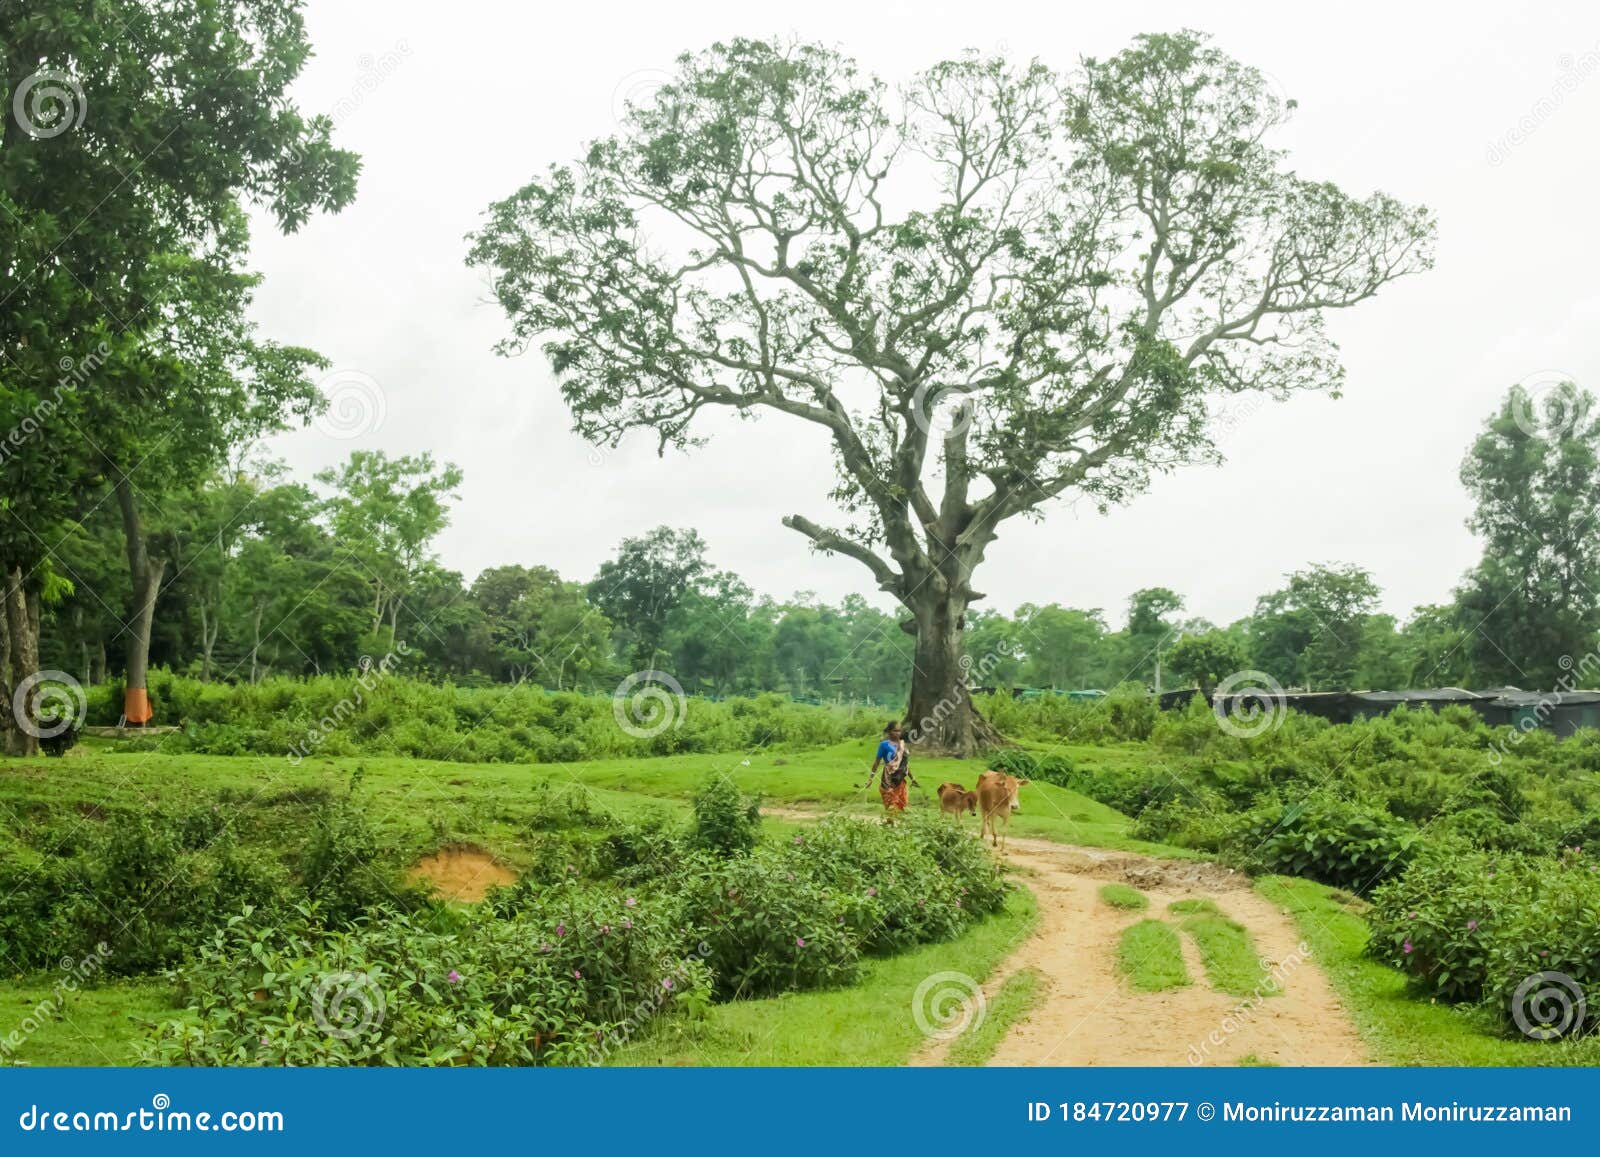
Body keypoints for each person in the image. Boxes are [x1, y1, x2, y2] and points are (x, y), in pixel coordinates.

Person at [866, 721, 915, 817]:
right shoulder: (884, 745)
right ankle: (890, 825)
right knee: (891, 807)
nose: (897, 733)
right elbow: (876, 762)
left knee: (900, 807)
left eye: (899, 731)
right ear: (889, 731)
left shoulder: (902, 745)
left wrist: (912, 778)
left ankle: (894, 828)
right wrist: (871, 778)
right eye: (895, 731)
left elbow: (905, 765)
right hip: (889, 780)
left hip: (900, 780)